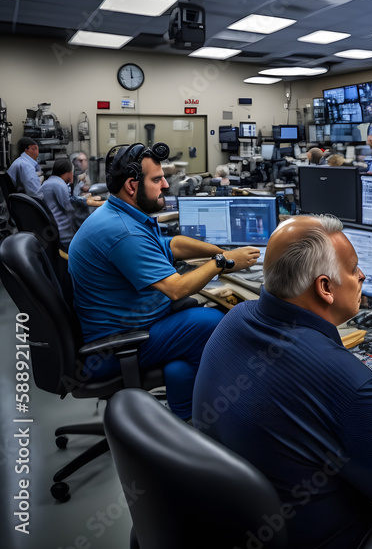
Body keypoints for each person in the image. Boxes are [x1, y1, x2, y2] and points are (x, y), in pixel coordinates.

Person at [193, 215, 372, 548]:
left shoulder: (234, 318)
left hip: (230, 522)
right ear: (325, 288)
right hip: (319, 535)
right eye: (353, 269)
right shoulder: (351, 384)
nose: (362, 276)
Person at [68, 143, 260, 419]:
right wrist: (222, 263)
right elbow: (175, 288)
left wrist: (222, 252)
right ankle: (210, 418)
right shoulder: (123, 232)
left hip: (129, 327)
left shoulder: (120, 214)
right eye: (157, 180)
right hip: (115, 346)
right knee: (214, 324)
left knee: (186, 354)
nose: (166, 185)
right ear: (132, 186)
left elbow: (173, 245)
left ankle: (184, 418)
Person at [40, 158, 77, 248]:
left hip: (52, 229)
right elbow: (69, 208)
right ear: (68, 172)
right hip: (64, 234)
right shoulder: (58, 184)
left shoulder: (50, 182)